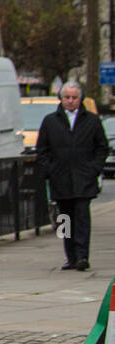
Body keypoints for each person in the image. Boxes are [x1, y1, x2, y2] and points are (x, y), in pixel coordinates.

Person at [36, 82, 108, 271]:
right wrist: (50, 170)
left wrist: (94, 169)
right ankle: (70, 256)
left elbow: (102, 147)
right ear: (61, 98)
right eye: (67, 97)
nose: (70, 101)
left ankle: (83, 255)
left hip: (84, 179)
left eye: (74, 97)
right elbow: (42, 150)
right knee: (64, 220)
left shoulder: (91, 121)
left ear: (80, 99)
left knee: (82, 217)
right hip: (60, 180)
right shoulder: (50, 121)